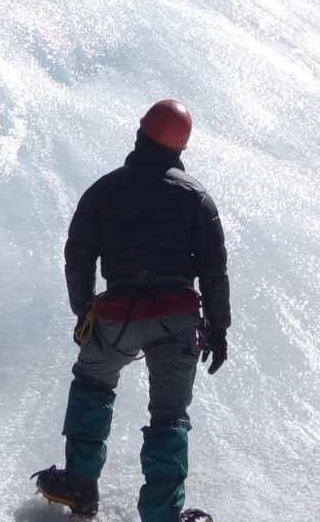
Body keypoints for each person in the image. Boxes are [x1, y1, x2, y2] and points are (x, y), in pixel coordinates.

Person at [35, 100, 232, 520]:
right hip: (177, 318)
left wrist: (84, 310)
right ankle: (162, 514)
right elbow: (214, 270)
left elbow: (78, 255)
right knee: (169, 416)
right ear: (181, 146)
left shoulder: (103, 191)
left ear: (141, 132)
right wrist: (219, 329)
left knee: (92, 383)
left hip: (117, 315)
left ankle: (82, 486)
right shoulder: (196, 197)